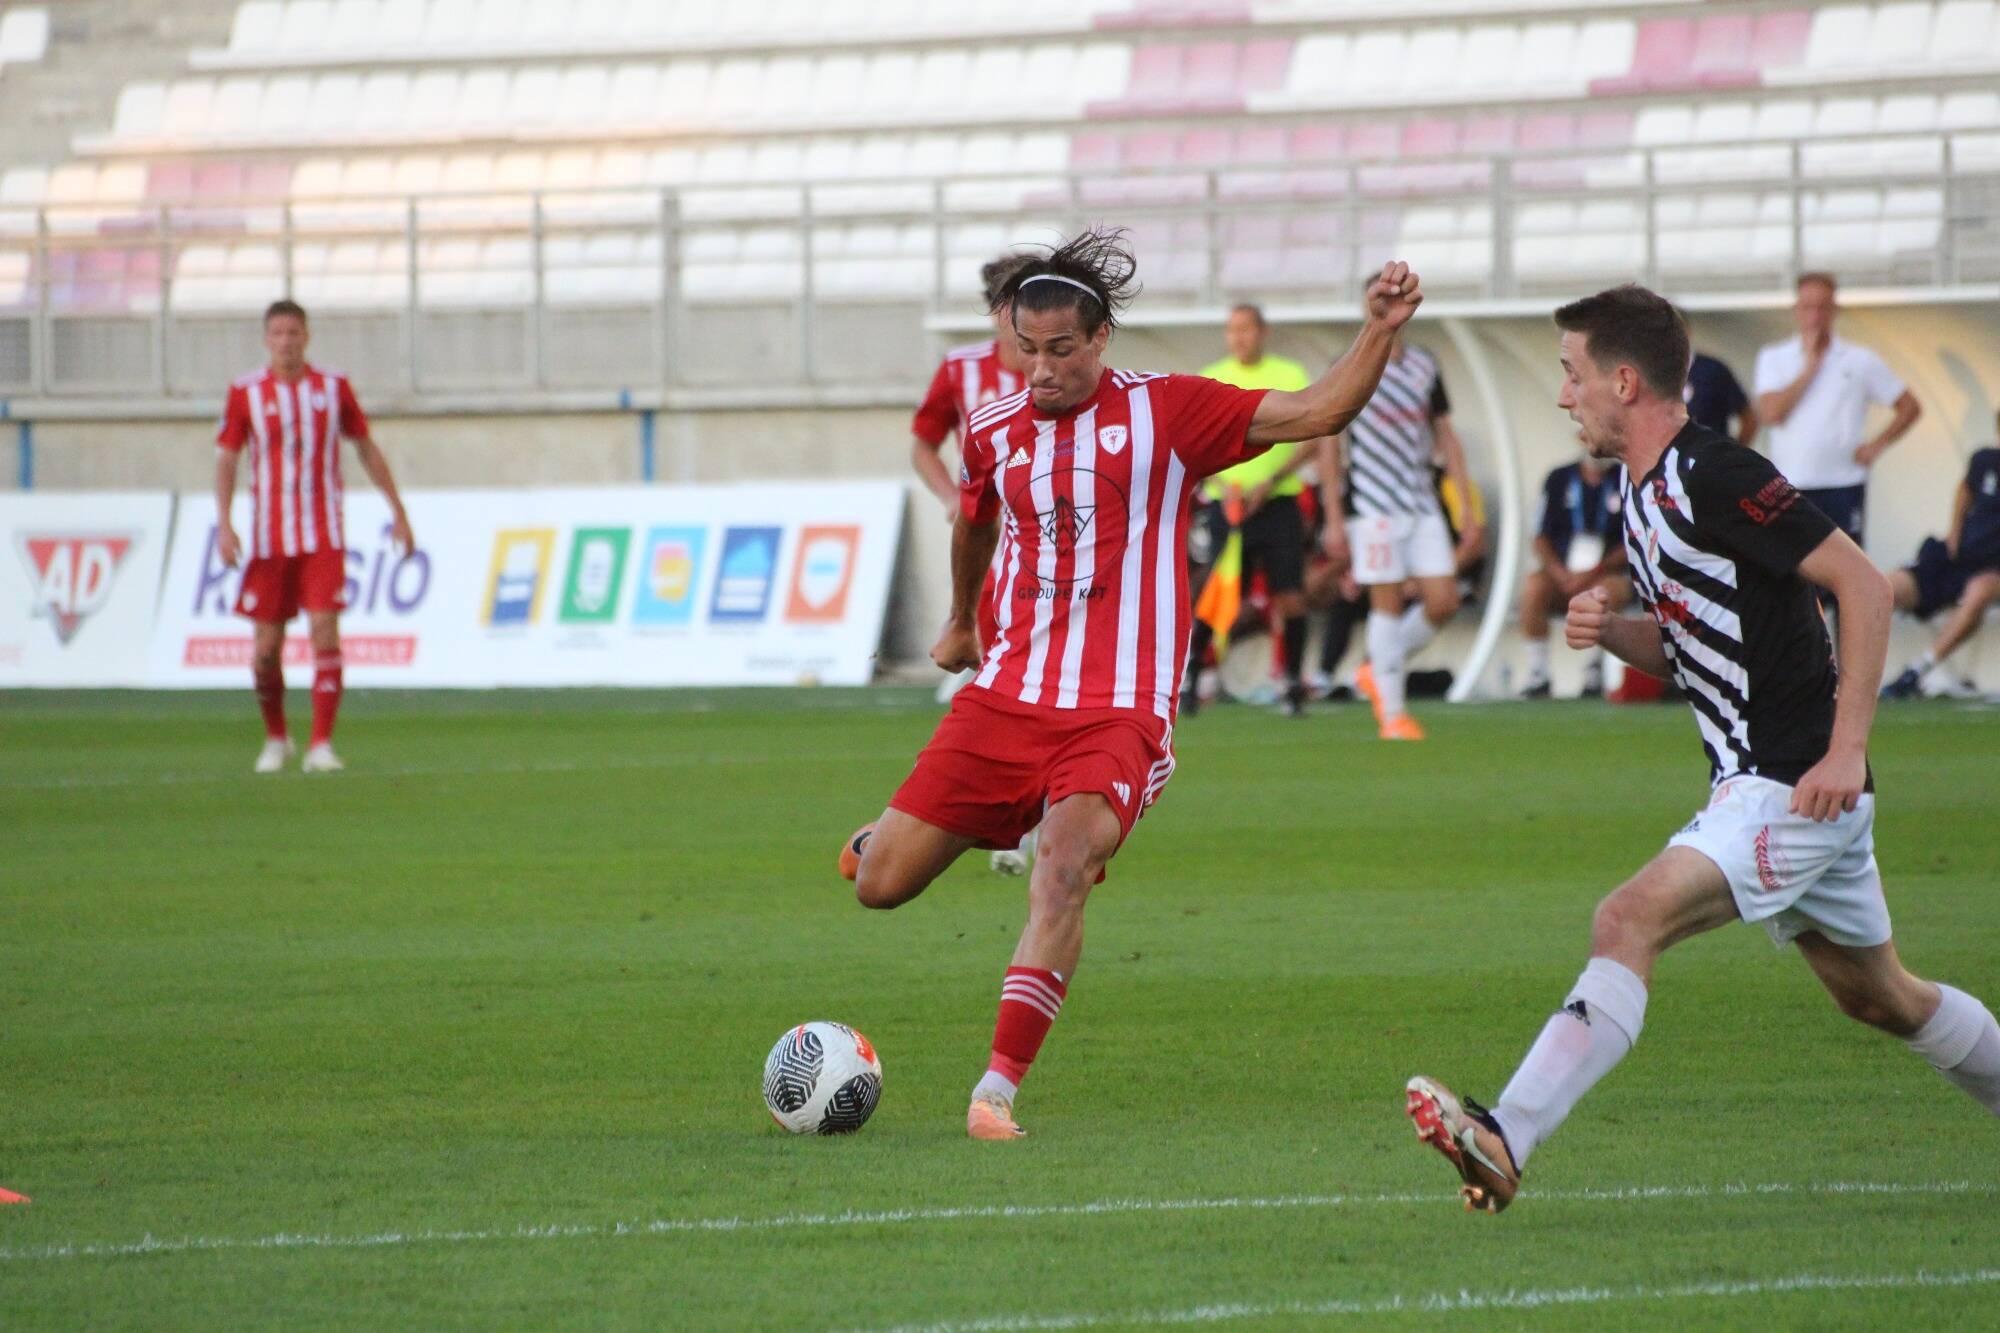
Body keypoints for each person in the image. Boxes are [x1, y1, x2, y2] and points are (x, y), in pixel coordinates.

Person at [1405, 285, 2000, 1215]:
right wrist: (1617, 633)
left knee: (1626, 919)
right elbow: (1692, 650)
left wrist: (1847, 752)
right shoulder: (1642, 496)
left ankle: (1505, 1135)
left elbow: (1864, 588)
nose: (1564, 395)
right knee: (1885, 998)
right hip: (1766, 783)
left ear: (1625, 380)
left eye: (1572, 374)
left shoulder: (1715, 471)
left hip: (1792, 782)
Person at [841, 229, 1424, 1140]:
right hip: (1005, 696)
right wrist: (961, 620)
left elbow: (1318, 409)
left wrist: (1378, 330)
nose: (1040, 370)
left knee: (1064, 865)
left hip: (1118, 707)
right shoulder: (993, 429)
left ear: (1101, 337)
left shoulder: (1169, 413)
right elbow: (972, 523)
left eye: (1061, 351)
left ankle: (995, 1090)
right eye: (1025, 350)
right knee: (877, 884)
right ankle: (898, 832)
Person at [215, 299, 413, 774]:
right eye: (277, 333)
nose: (286, 341)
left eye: (293, 332)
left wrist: (398, 511)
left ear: (307, 336)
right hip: (268, 541)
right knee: (265, 648)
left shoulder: (333, 387)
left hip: (323, 535)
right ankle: (277, 737)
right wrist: (224, 522)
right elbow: (227, 459)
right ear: (267, 340)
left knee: (325, 630)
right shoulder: (245, 393)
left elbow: (365, 447)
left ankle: (321, 744)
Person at [911, 253, 1038, 874]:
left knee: (1030, 676)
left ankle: (1025, 820)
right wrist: (949, 501)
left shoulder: (1061, 363)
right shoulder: (962, 369)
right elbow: (924, 442)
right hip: (991, 531)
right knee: (1008, 672)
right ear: (997, 311)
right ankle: (1007, 824)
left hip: (1053, 532)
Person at [1321, 284, 1482, 740]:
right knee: (1386, 602)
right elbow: (1329, 444)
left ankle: (1378, 668)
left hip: (1421, 500)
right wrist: (1333, 515)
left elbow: (1446, 437)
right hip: (1372, 506)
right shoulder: (1348, 366)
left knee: (1444, 599)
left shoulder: (1424, 365)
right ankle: (1393, 714)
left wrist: (1465, 507)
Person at [1182, 304, 1318, 717]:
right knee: (1215, 596)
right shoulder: (1211, 377)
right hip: (1232, 504)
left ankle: (1292, 682)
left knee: (1290, 596)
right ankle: (1189, 681)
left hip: (1278, 502)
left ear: (1263, 332)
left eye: (1246, 329)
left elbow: (1314, 435)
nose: (1239, 337)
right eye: (1232, 330)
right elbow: (1194, 443)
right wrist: (1224, 483)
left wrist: (1271, 481)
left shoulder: (1291, 375)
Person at [1753, 273, 1921, 549]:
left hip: (1843, 484)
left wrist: (1877, 445)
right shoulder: (1774, 358)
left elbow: (1909, 406)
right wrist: (1810, 367)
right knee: (1792, 572)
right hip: (1790, 484)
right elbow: (1771, 413)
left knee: (1846, 571)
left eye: (1823, 307)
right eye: (1808, 307)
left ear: (1835, 310)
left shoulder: (1859, 359)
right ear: (1796, 310)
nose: (1815, 316)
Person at [1882, 428, 2000, 698]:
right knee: (1882, 587)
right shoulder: (1984, 460)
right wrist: (1955, 531)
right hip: (1956, 561)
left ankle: (1917, 671)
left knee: (1979, 590)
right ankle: (1836, 671)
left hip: (1993, 572)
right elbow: (1964, 489)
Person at [1517, 439, 1629, 698]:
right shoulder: (1558, 479)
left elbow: (1633, 541)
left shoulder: (1625, 478)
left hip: (1605, 572)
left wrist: (1594, 571)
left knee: (1606, 592)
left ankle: (1594, 667)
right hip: (1564, 573)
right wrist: (1560, 574)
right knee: (1534, 587)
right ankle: (1538, 672)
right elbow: (1540, 537)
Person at [1684, 348, 1758, 446]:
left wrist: (1734, 454)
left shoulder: (1712, 370)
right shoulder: (1658, 372)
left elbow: (1748, 418)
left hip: (1709, 454)